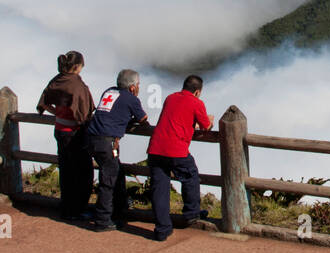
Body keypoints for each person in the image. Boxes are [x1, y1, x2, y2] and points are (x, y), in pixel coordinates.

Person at [145, 74, 213, 241]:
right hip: (176, 149)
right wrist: (209, 120)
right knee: (191, 176)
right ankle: (191, 213)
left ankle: (162, 229)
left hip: (155, 148)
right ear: (197, 92)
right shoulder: (196, 102)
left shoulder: (170, 97)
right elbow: (206, 126)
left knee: (159, 189)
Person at [85, 69, 149, 231]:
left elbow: (111, 112)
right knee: (108, 180)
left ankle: (119, 208)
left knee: (116, 171)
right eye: (138, 84)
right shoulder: (131, 99)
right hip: (106, 142)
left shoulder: (109, 91)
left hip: (91, 138)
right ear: (133, 87)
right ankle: (103, 220)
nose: (139, 87)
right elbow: (143, 119)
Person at [36, 50, 94, 220]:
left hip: (59, 130)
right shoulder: (76, 84)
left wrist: (57, 113)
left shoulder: (57, 80)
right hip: (75, 134)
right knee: (83, 173)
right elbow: (84, 112)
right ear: (77, 66)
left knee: (67, 171)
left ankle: (67, 208)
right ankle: (78, 210)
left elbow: (45, 100)